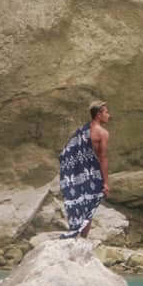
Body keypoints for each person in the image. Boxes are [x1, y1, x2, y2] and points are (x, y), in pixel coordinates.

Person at [58, 101, 112, 238]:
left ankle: (77, 234)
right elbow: (103, 158)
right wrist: (106, 182)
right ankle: (82, 238)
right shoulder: (102, 133)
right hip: (92, 174)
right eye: (106, 112)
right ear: (99, 114)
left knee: (80, 204)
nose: (109, 115)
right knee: (90, 207)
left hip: (79, 173)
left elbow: (67, 151)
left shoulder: (82, 130)